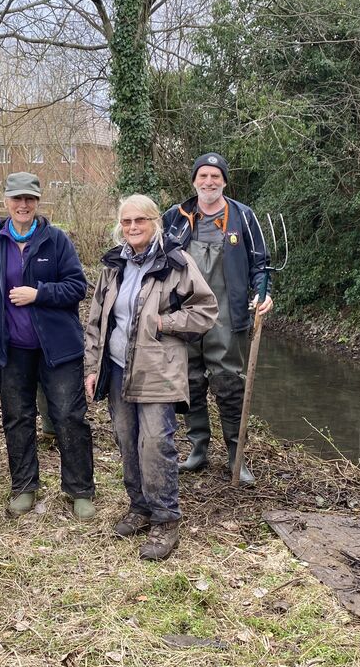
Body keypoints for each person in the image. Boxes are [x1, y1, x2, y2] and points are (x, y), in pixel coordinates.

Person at [84, 195, 218, 560]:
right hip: (116, 368)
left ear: (155, 222)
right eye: (126, 222)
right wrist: (92, 368)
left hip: (158, 370)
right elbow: (97, 320)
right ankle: (140, 508)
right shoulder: (113, 265)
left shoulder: (175, 261)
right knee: (127, 440)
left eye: (139, 221)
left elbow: (206, 310)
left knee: (156, 444)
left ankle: (165, 520)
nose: (132, 228)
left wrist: (166, 322)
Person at [0, 172, 96, 520]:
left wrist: (39, 294)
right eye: (16, 199)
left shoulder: (56, 240)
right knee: (17, 417)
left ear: (38, 202)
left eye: (29, 199)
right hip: (13, 349)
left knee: (69, 416)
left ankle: (80, 490)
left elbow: (77, 287)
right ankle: (24, 486)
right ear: (6, 202)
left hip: (58, 348)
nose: (23, 205)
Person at [162, 153, 273, 485]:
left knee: (229, 385)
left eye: (215, 176)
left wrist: (263, 293)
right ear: (194, 180)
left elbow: (261, 263)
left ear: (224, 181)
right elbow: (158, 260)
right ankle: (197, 448)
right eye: (203, 176)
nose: (209, 182)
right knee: (191, 381)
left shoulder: (243, 216)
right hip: (186, 312)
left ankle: (236, 455)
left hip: (229, 313)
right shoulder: (176, 217)